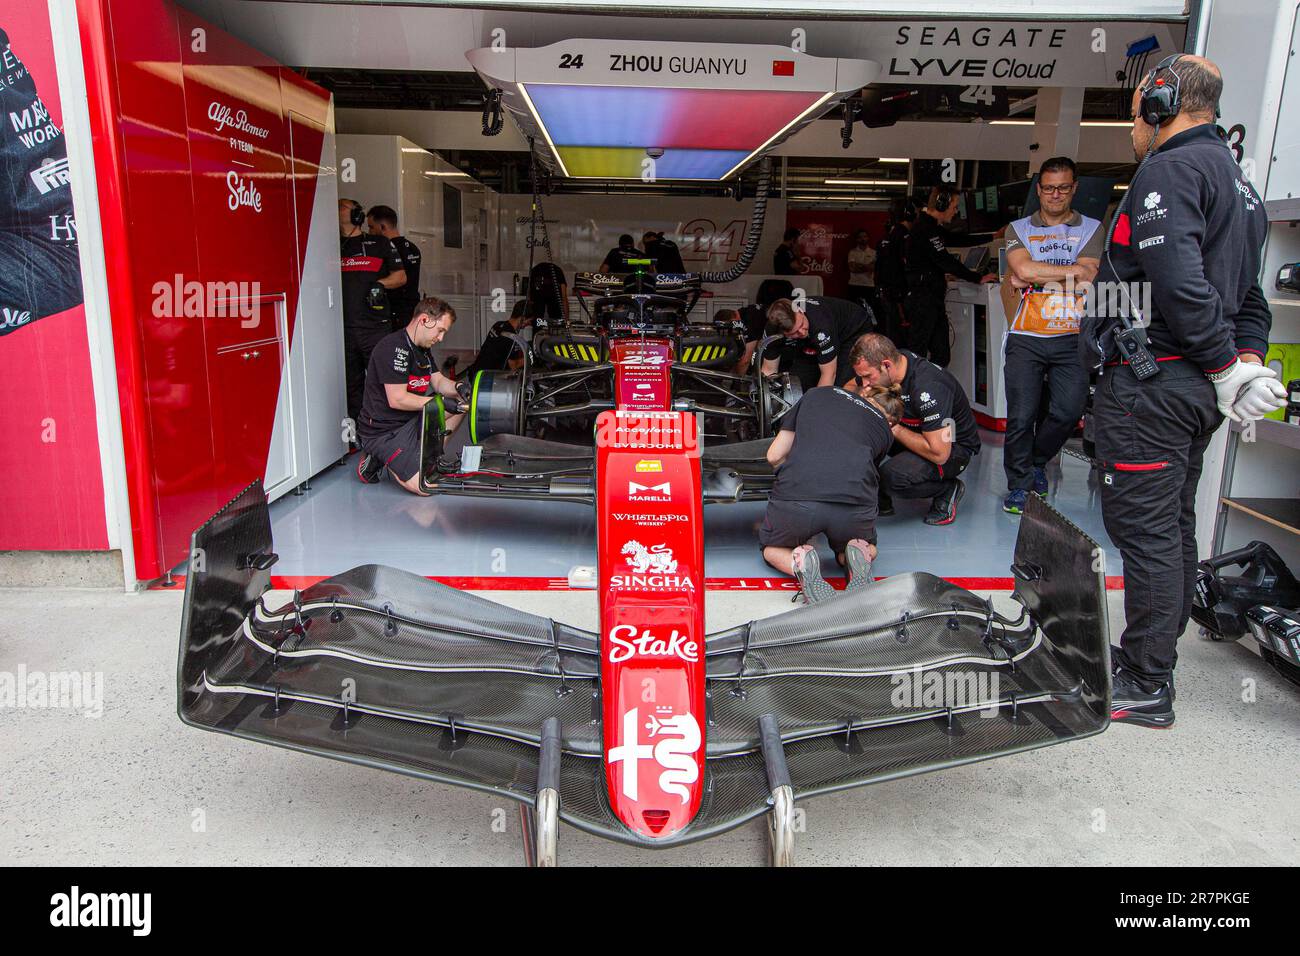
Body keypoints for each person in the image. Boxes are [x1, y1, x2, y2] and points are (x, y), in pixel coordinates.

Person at [1085, 55, 1283, 728]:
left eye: (1138, 103)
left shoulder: (1168, 171)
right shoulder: (1239, 182)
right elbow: (1252, 299)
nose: (1132, 122)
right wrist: (1241, 365)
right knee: (1170, 528)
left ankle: (1145, 682)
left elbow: (1180, 287)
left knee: (1146, 534)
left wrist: (1230, 368)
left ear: (1161, 100)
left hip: (1152, 386)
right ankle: (1149, 660)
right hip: (1188, 389)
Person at [1000, 156, 1103, 514]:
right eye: (1048, 188)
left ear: (1073, 188)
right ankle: (1019, 485)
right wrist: (1068, 271)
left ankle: (1036, 461)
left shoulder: (1092, 228)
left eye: (1063, 187)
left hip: (1072, 336)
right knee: (1020, 416)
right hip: (1026, 334)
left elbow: (1089, 276)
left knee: (1067, 411)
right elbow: (1021, 268)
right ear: (1038, 189)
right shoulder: (1018, 229)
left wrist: (1033, 277)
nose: (1055, 195)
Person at [759, 383, 903, 600]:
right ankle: (856, 556)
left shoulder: (816, 393)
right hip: (854, 503)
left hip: (799, 495)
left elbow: (774, 456)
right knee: (865, 546)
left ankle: (803, 565)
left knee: (772, 550)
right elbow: (866, 470)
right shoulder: (884, 428)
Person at [850, 334, 981, 526]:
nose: (866, 383)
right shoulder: (895, 362)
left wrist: (893, 428)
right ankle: (878, 493)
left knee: (892, 477)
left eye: (868, 377)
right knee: (862, 430)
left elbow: (939, 454)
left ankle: (946, 489)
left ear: (886, 365)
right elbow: (850, 385)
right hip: (917, 433)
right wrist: (860, 395)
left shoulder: (929, 387)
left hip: (951, 449)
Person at [355, 298, 469, 496]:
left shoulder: (423, 351)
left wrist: (460, 387)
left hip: (411, 419)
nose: (441, 338)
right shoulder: (393, 348)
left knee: (461, 405)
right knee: (425, 488)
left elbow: (439, 383)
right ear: (424, 320)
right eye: (440, 330)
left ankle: (431, 459)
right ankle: (377, 456)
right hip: (384, 431)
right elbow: (397, 399)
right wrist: (439, 402)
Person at [903, 187, 997, 367]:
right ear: (941, 204)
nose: (956, 211)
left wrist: (993, 236)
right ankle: (912, 393)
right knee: (919, 353)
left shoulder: (931, 227)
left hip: (931, 299)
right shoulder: (925, 229)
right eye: (954, 206)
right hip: (923, 300)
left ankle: (931, 391)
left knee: (941, 355)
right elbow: (945, 260)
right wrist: (976, 277)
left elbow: (957, 239)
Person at [339, 198, 407, 429]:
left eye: (341, 207)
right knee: (351, 384)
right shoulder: (331, 245)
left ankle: (387, 428)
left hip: (375, 327)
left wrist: (380, 284)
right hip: (343, 328)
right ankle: (359, 431)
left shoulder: (379, 243)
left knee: (382, 379)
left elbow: (400, 277)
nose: (336, 210)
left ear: (357, 215)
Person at [761, 295, 874, 391]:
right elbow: (768, 370)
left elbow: (829, 374)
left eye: (801, 324)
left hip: (853, 330)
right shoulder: (772, 330)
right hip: (820, 332)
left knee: (840, 385)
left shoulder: (821, 325)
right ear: (782, 333)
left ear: (800, 311)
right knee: (797, 383)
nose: (801, 332)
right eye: (794, 332)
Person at [366, 204, 421, 330]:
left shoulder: (386, 251)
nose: (369, 232)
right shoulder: (413, 248)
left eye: (371, 227)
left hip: (394, 312)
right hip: (412, 309)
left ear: (382, 227)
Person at [735, 278, 794, 373]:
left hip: (773, 362)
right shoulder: (796, 315)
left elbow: (746, 360)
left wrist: (736, 384)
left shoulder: (755, 314)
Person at [874, 203, 913, 344]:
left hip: (885, 290)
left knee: (890, 329)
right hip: (898, 292)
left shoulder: (886, 238)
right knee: (900, 332)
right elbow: (906, 262)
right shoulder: (903, 236)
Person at [463, 299, 531, 379]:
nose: (529, 324)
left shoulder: (498, 325)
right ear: (522, 319)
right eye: (529, 321)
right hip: (485, 380)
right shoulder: (511, 337)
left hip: (475, 372)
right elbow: (514, 366)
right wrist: (530, 358)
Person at [845, 229, 878, 318]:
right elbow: (852, 268)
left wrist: (859, 265)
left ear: (868, 238)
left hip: (869, 285)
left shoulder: (874, 253)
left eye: (864, 236)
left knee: (869, 311)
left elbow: (873, 268)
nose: (863, 239)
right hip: (854, 285)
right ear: (857, 239)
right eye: (860, 237)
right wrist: (867, 266)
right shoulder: (852, 252)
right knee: (853, 309)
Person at [527, 259, 568, 327]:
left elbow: (530, 298)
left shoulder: (536, 271)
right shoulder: (558, 271)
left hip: (542, 310)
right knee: (555, 324)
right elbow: (564, 298)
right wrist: (566, 320)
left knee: (538, 322)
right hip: (549, 311)